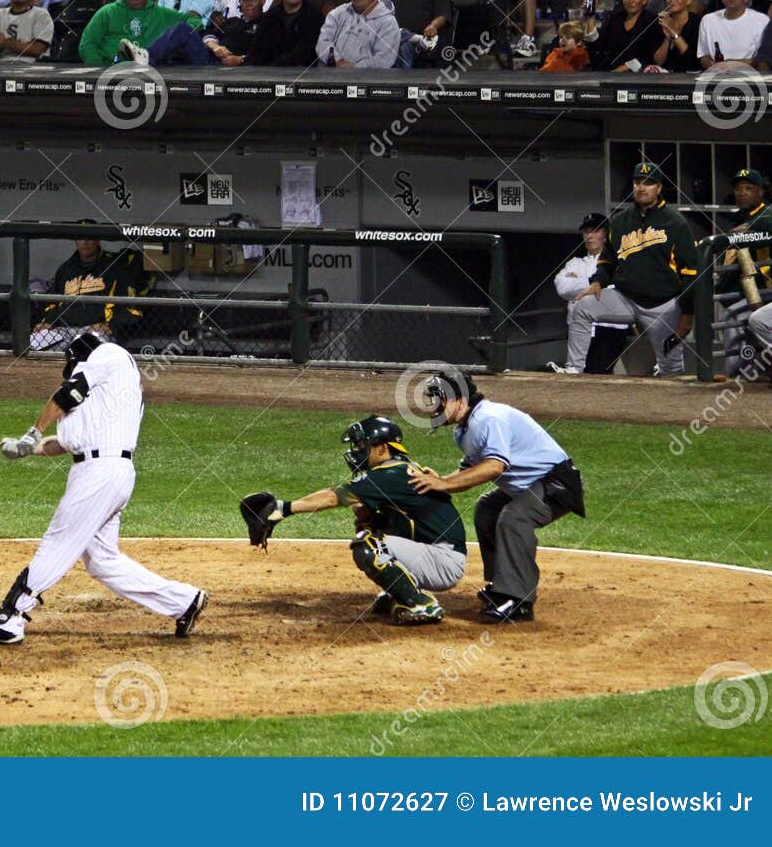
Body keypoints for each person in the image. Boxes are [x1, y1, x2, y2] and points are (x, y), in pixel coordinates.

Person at [0, 331, 207, 645]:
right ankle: (183, 601)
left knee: (58, 543)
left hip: (99, 476)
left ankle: (8, 620)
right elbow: (70, 443)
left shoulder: (106, 355)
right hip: (108, 473)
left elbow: (70, 392)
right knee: (103, 561)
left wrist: (34, 430)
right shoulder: (110, 391)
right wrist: (28, 448)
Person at [240, 415, 464, 625]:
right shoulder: (398, 470)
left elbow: (332, 497)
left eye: (362, 445)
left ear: (382, 448)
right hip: (433, 551)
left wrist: (283, 509)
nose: (357, 451)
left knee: (368, 545)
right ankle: (402, 589)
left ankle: (420, 603)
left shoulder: (392, 474)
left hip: (443, 560)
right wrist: (369, 518)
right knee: (368, 523)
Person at [409, 370, 586, 623]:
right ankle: (502, 587)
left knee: (514, 518)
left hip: (558, 484)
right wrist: (442, 482)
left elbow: (494, 467)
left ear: (461, 399)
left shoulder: (488, 419)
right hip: (532, 486)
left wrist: (444, 483)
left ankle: (519, 601)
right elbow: (470, 473)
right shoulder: (464, 429)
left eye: (441, 399)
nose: (435, 406)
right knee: (487, 510)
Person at [568, 161, 698, 377]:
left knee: (672, 370)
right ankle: (574, 371)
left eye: (648, 183)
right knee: (582, 307)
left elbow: (691, 273)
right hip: (625, 299)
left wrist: (687, 314)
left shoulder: (676, 223)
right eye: (638, 182)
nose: (641, 187)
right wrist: (598, 281)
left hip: (663, 305)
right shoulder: (620, 221)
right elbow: (608, 260)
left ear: (659, 188)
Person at [79, 0, 211, 66]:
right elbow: (87, 44)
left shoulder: (161, 13)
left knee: (182, 30)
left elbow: (193, 22)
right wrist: (100, 69)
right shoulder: (107, 12)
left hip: (150, 72)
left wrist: (193, 20)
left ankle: (145, 56)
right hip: (113, 70)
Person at [548, 212, 615, 373]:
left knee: (598, 377)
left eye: (595, 231)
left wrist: (578, 282)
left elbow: (614, 291)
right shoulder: (575, 263)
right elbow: (562, 288)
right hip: (577, 327)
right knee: (575, 374)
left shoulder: (616, 262)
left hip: (607, 328)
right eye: (586, 232)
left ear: (606, 234)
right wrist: (594, 283)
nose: (589, 236)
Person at [317, 0, 404, 68]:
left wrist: (354, 69)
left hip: (368, 76)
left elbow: (383, 60)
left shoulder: (388, 23)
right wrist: (337, 60)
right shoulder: (337, 13)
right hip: (332, 72)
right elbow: (323, 43)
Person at [588, 0, 660, 70]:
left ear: (644, 0)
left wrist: (622, 69)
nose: (631, 1)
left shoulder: (652, 21)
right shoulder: (614, 18)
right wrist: (590, 16)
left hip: (636, 73)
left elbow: (649, 57)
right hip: (607, 70)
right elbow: (598, 45)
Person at [697, 0, 768, 65]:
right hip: (716, 72)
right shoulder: (707, 20)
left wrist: (733, 65)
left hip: (749, 72)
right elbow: (704, 56)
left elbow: (762, 59)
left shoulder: (761, 20)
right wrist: (715, 66)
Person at [652, 0, 702, 71]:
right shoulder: (661, 22)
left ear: (688, 0)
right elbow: (658, 61)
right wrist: (667, 38)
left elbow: (691, 60)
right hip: (665, 75)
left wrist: (673, 32)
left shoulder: (698, 23)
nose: (672, 0)